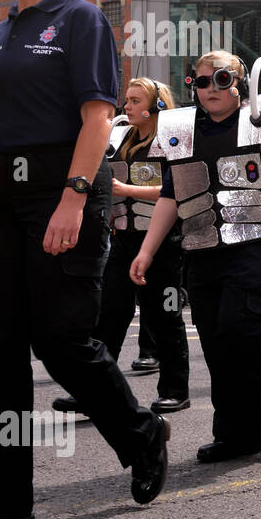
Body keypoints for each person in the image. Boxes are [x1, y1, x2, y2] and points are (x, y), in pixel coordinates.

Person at [0, 0, 170, 519]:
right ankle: (4, 502)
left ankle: (142, 434)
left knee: (62, 340)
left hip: (61, 186)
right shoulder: (0, 32)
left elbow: (95, 117)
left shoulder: (80, 20)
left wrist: (74, 197)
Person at [133, 51, 261, 462]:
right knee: (214, 342)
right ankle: (233, 433)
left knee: (240, 332)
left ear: (239, 84)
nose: (210, 88)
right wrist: (147, 250)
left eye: (221, 79)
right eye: (202, 81)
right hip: (200, 251)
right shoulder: (181, 130)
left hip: (254, 248)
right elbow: (172, 194)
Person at [80, 79, 190, 412]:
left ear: (155, 105)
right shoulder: (122, 137)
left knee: (165, 316)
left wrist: (127, 191)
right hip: (123, 239)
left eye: (134, 100)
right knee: (109, 315)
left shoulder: (172, 141)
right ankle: (95, 391)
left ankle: (175, 389)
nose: (125, 106)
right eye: (125, 99)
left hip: (163, 242)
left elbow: (179, 189)